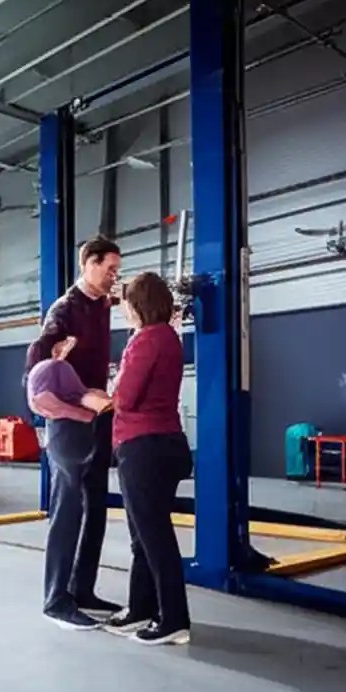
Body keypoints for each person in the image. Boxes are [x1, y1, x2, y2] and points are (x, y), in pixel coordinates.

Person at [24, 236, 123, 630]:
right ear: (88, 263)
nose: (114, 276)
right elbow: (36, 370)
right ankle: (56, 599)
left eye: (117, 269)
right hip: (68, 422)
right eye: (109, 268)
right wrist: (73, 395)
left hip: (97, 418)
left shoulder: (101, 306)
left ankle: (83, 589)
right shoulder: (64, 310)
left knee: (95, 505)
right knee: (68, 509)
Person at [103, 272, 193, 646]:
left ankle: (172, 619)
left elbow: (124, 399)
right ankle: (140, 607)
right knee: (144, 535)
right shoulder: (169, 337)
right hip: (166, 442)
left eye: (125, 302)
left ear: (136, 304)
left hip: (143, 447)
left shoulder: (145, 341)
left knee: (153, 537)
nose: (123, 310)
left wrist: (113, 384)